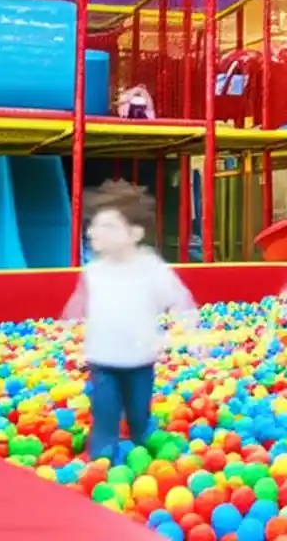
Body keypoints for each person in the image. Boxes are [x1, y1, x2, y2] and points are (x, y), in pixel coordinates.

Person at [61, 182, 201, 462]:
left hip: (140, 360)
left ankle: (141, 443)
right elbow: (80, 300)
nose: (94, 232)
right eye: (94, 225)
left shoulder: (151, 268)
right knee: (105, 416)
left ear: (135, 233)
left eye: (108, 226)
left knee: (138, 416)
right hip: (103, 360)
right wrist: (65, 326)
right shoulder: (94, 271)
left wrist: (191, 331)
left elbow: (179, 299)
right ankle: (101, 461)